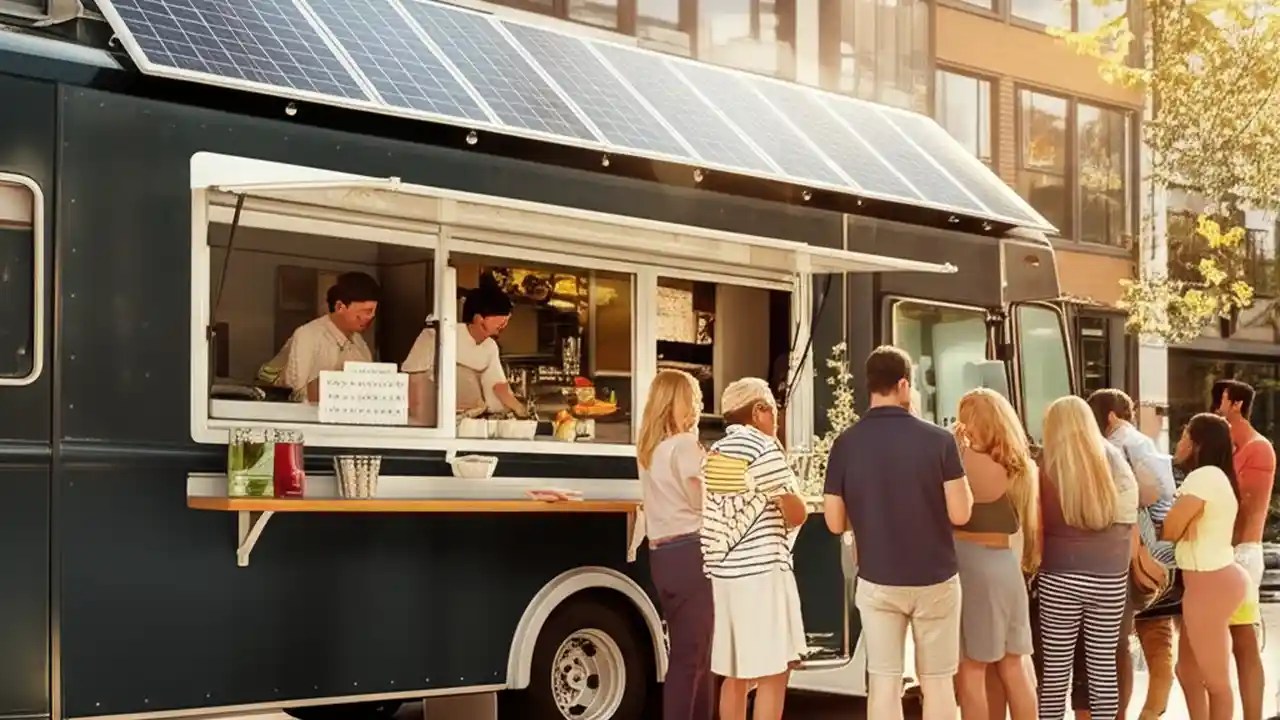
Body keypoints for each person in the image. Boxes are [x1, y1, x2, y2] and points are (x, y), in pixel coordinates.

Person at [823, 345, 973, 720]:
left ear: (870, 385)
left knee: (885, 681)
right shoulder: (940, 441)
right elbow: (961, 512)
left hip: (878, 579)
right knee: (938, 682)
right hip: (935, 578)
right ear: (904, 385)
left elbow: (833, 522)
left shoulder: (845, 444)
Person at [700, 377, 806, 720]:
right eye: (773, 411)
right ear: (759, 411)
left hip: (725, 575)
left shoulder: (714, 453)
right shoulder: (762, 447)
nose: (776, 420)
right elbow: (796, 512)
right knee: (774, 671)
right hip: (761, 574)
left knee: (736, 673)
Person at [1035, 396, 1137, 720]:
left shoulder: (1046, 462)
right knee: (1102, 666)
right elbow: (1129, 517)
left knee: (1055, 670)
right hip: (1109, 576)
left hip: (1059, 575)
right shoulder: (1114, 458)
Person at [1085, 388, 1178, 720]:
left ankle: (1132, 712)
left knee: (1119, 643)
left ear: (1109, 416)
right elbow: (1164, 492)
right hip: (1161, 549)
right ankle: (1152, 708)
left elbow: (1142, 494)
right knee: (1157, 635)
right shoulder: (1145, 443)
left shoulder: (1116, 444)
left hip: (1133, 548)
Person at [951, 389, 1038, 720]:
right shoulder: (1020, 467)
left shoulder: (958, 460)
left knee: (971, 669)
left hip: (970, 566)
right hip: (1006, 566)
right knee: (1015, 666)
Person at [636, 369, 713, 720]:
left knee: (685, 655)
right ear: (680, 402)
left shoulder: (650, 451)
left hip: (662, 556)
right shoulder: (684, 446)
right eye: (694, 398)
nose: (697, 406)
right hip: (692, 553)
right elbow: (702, 501)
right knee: (698, 657)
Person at [1163, 412, 1250, 720]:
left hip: (1209, 583)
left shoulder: (1204, 477)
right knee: (1187, 670)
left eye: (1185, 434)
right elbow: (1180, 528)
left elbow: (1170, 530)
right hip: (1209, 580)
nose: (1180, 440)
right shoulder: (1216, 477)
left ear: (1198, 443)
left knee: (1216, 681)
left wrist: (1176, 523)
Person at [1211, 379, 1274, 720]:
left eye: (1218, 398)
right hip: (1218, 554)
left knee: (1243, 643)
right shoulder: (1231, 447)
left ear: (1235, 404)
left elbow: (1245, 505)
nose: (1214, 404)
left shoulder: (1258, 448)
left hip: (1241, 554)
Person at [403, 276, 527, 419]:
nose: (504, 323)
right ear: (479, 318)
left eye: (507, 319)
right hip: (437, 419)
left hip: (473, 419)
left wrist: (519, 409)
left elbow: (498, 385)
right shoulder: (436, 336)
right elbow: (415, 381)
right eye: (501, 317)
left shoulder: (490, 347)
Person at [257, 271, 379, 402]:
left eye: (373, 312)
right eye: (365, 312)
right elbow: (298, 394)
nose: (370, 317)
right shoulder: (307, 336)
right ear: (340, 307)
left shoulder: (360, 345)